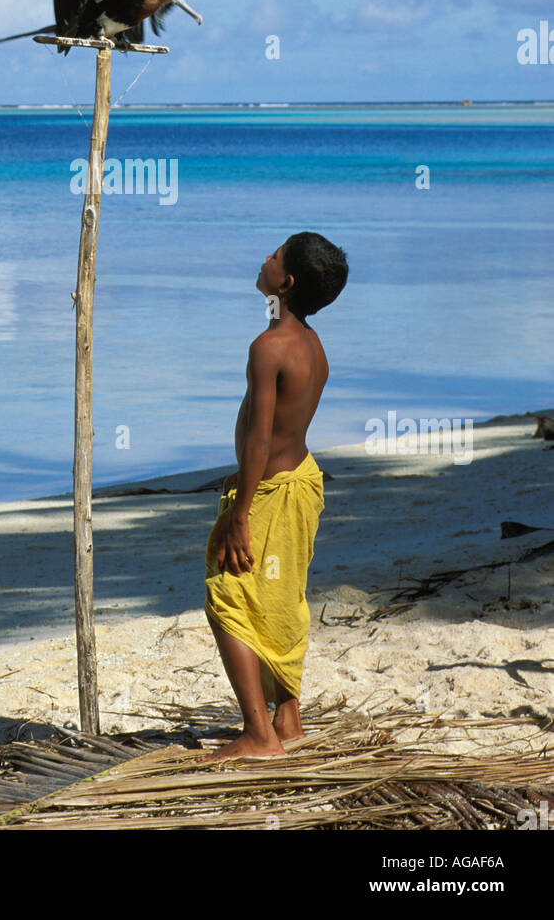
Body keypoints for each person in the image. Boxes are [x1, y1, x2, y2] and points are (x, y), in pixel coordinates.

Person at [200, 231, 348, 762]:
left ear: (283, 282)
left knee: (227, 597)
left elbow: (261, 437)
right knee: (281, 597)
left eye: (275, 254)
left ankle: (259, 735)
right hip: (302, 480)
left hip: (269, 489)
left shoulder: (269, 348)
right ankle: (288, 718)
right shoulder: (311, 343)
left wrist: (239, 511)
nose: (265, 255)